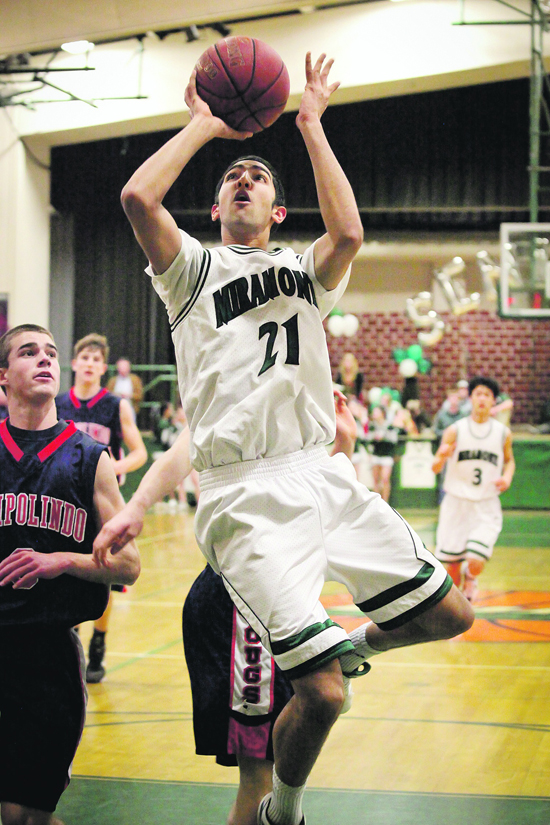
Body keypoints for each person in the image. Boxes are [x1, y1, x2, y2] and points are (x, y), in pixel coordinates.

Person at [121, 51, 474, 825]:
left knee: (452, 614)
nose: (243, 180)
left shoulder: (303, 270)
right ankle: (286, 812)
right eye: (230, 178)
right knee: (322, 692)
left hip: (321, 471)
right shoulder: (191, 272)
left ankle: (352, 644)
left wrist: (311, 123)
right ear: (214, 209)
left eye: (258, 178)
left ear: (279, 211)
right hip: (244, 495)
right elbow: (138, 195)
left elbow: (348, 227)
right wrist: (201, 126)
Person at [93, 390, 357, 825]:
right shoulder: (230, 402)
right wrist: (137, 506)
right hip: (239, 604)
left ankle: (348, 658)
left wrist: (343, 443)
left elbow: (323, 508)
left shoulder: (296, 414)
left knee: (272, 779)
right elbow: (180, 455)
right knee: (260, 781)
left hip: (279, 599)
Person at [0, 323, 140, 825]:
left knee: (24, 816)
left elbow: (129, 564)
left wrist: (63, 560)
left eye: (50, 353)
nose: (44, 359)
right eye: (28, 352)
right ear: (3, 377)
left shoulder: (89, 458)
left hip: (47, 657)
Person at [56, 332, 147, 683]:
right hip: (66, 497)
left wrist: (113, 469)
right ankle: (73, 635)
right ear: (75, 363)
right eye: (85, 358)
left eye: (97, 360)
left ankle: (99, 641)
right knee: (71, 570)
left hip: (103, 500)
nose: (90, 364)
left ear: (103, 367)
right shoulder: (59, 403)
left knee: (104, 572)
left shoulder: (115, 405)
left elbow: (139, 452)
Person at [432, 377, 515, 603]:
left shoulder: (502, 433)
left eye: (487, 395)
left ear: (493, 400)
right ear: (470, 398)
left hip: (485, 503)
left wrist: (506, 477)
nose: (481, 399)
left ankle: (472, 576)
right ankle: (459, 610)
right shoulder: (455, 430)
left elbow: (510, 461)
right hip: (456, 503)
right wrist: (442, 456)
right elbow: (435, 466)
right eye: (478, 394)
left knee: (476, 560)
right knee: (451, 570)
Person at [364, 405, 401, 502]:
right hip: (376, 454)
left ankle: (386, 502)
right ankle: (377, 502)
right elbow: (366, 438)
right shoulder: (372, 426)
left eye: (377, 412)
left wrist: (384, 436)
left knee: (385, 479)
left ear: (382, 413)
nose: (374, 414)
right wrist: (373, 437)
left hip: (386, 455)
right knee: (376, 480)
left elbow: (394, 439)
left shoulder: (389, 426)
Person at [106, 356, 144, 420]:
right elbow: (106, 394)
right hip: (115, 409)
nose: (123, 369)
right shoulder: (112, 381)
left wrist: (129, 396)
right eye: (121, 367)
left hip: (131, 409)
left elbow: (140, 395)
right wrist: (115, 395)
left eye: (125, 366)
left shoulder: (135, 380)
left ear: (129, 368)